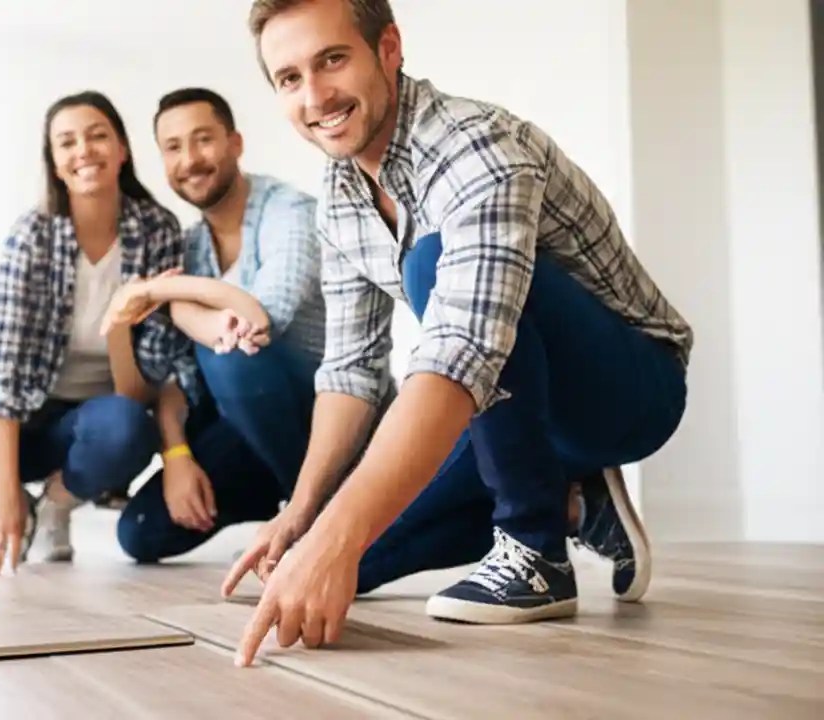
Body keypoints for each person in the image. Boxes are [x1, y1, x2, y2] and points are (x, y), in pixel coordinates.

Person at [225, 0, 693, 664]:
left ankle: (535, 549)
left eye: (333, 60)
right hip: (514, 402)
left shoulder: (476, 143)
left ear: (388, 48)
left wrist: (336, 531)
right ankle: (571, 501)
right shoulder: (339, 192)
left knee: (429, 263)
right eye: (289, 78)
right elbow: (352, 370)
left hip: (631, 389)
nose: (315, 95)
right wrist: (302, 514)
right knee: (347, 557)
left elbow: (461, 349)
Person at [0, 91, 190, 573]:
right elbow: (5, 370)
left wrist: (120, 323)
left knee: (127, 429)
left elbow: (144, 385)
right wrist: (3, 495)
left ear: (122, 150)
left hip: (101, 416)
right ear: (55, 163)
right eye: (67, 142)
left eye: (98, 136)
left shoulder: (159, 231)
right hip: (30, 411)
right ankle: (24, 504)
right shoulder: (32, 236)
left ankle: (55, 506)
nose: (84, 150)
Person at [102, 88, 325, 562]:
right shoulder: (187, 247)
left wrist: (160, 294)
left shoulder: (291, 212)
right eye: (174, 147)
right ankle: (274, 498)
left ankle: (311, 518)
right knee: (140, 533)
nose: (190, 159)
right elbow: (174, 378)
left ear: (235, 143)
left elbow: (259, 321)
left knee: (230, 353)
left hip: (319, 416)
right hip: (245, 425)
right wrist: (177, 456)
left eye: (203, 140)